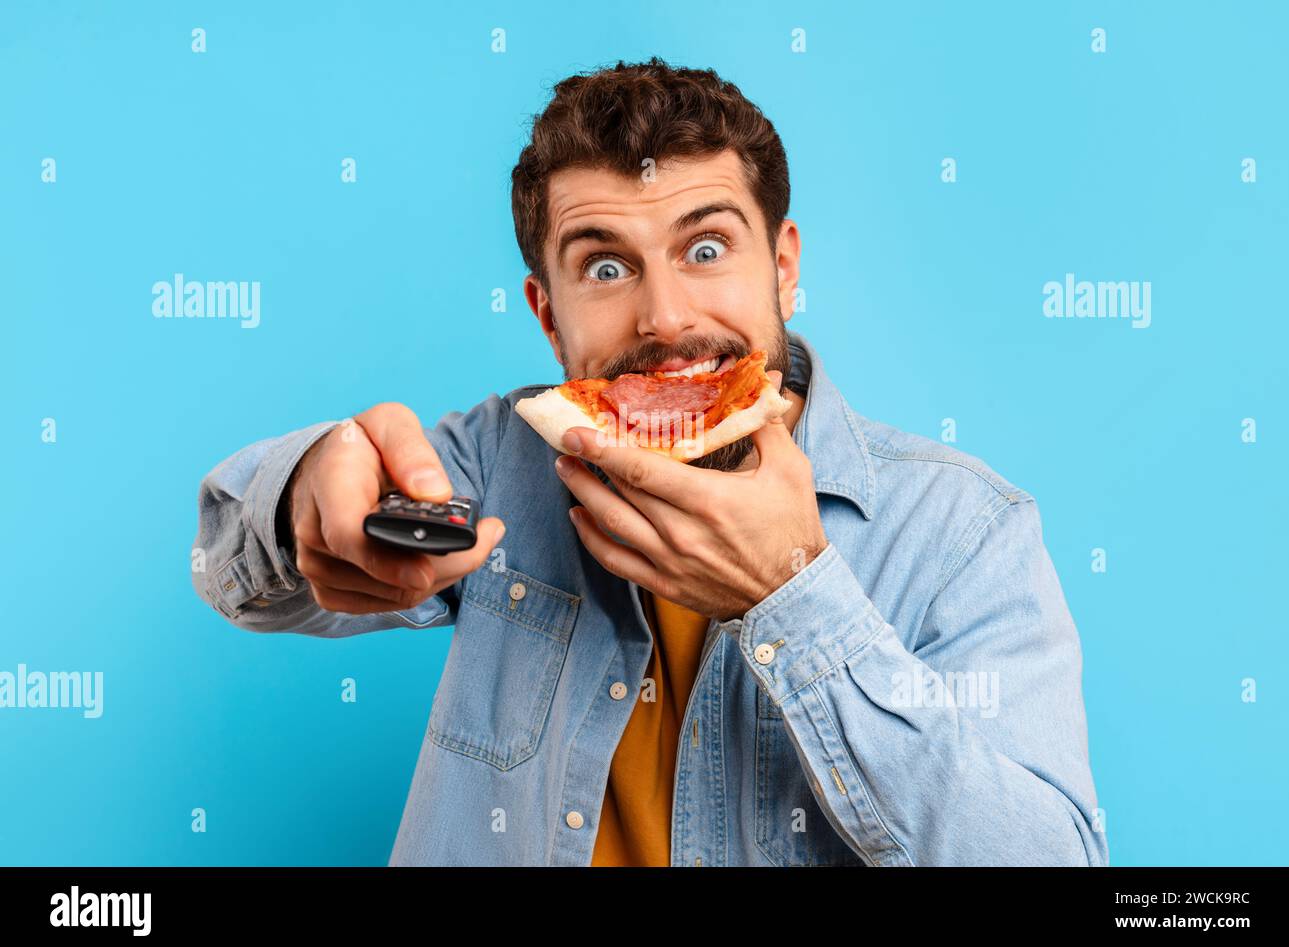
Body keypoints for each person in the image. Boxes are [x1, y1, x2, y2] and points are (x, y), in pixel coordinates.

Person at [191, 57, 1108, 867]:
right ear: (548, 316)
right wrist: (307, 491)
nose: (665, 317)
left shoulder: (961, 531)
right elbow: (235, 575)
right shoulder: (502, 458)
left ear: (784, 267)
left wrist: (793, 596)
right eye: (603, 268)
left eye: (705, 249)